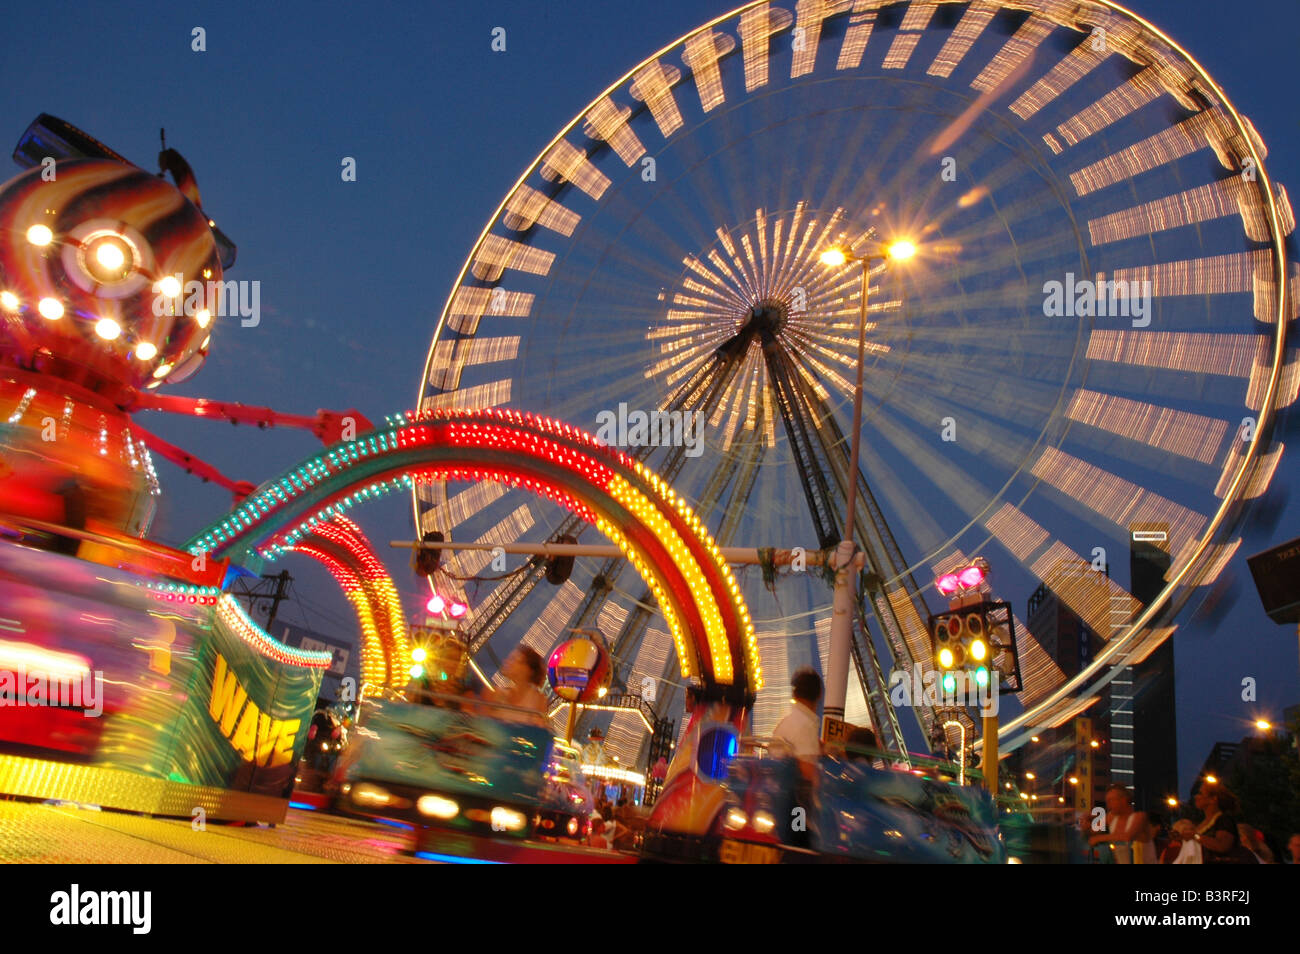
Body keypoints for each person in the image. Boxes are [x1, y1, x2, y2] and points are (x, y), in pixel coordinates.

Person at [770, 668, 823, 778]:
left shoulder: (787, 723)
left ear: (794, 694)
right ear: (820, 695)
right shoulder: (806, 726)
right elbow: (808, 771)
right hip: (791, 793)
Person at [1190, 781, 1257, 864]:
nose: (1196, 797)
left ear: (1213, 799)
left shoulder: (1224, 820)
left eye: (1200, 793)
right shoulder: (1201, 825)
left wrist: (1195, 836)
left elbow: (1222, 846)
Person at [1087, 785, 1157, 864]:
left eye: (1111, 800)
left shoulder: (1139, 817)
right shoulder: (1112, 818)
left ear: (1123, 800)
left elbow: (1128, 836)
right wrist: (1087, 821)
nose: (1109, 804)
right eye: (1107, 801)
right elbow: (1092, 832)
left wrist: (1099, 838)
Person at [481, 647, 548, 727]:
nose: (506, 661)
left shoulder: (538, 700)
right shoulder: (493, 694)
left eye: (513, 659)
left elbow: (537, 731)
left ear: (528, 670)